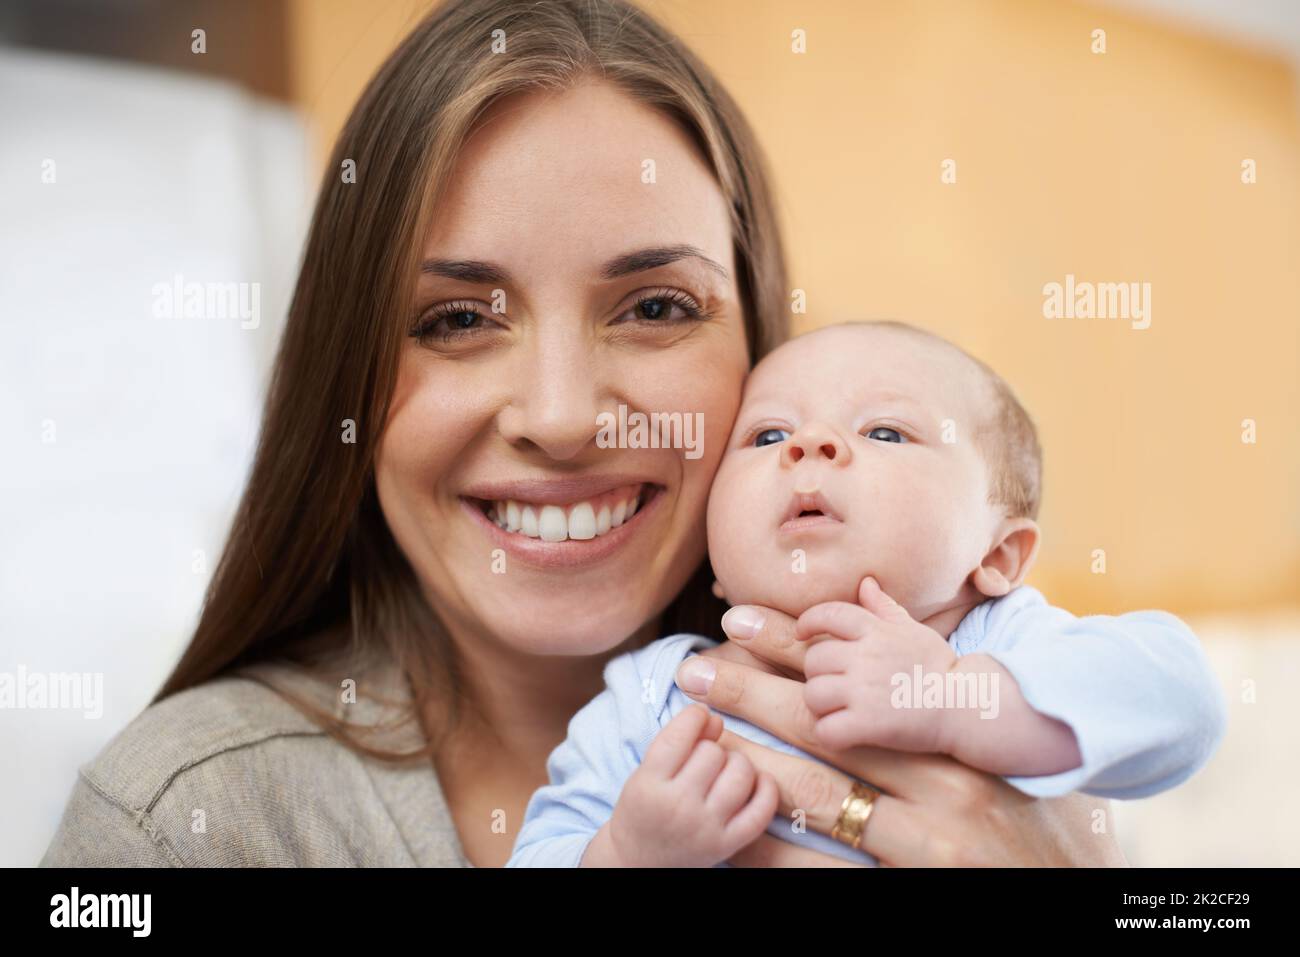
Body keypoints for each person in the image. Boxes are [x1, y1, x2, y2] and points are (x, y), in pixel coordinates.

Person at [41, 0, 1126, 868]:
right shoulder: (180, 826)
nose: (560, 419)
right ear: (351, 380)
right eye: (456, 320)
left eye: (656, 306)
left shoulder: (996, 729)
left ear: (762, 351)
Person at [508, 321, 1227, 867]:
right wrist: (627, 851)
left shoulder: (993, 645)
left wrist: (952, 698)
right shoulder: (657, 695)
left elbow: (1181, 700)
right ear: (716, 565)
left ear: (999, 553)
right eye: (767, 435)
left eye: (885, 429)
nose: (809, 444)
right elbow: (541, 847)